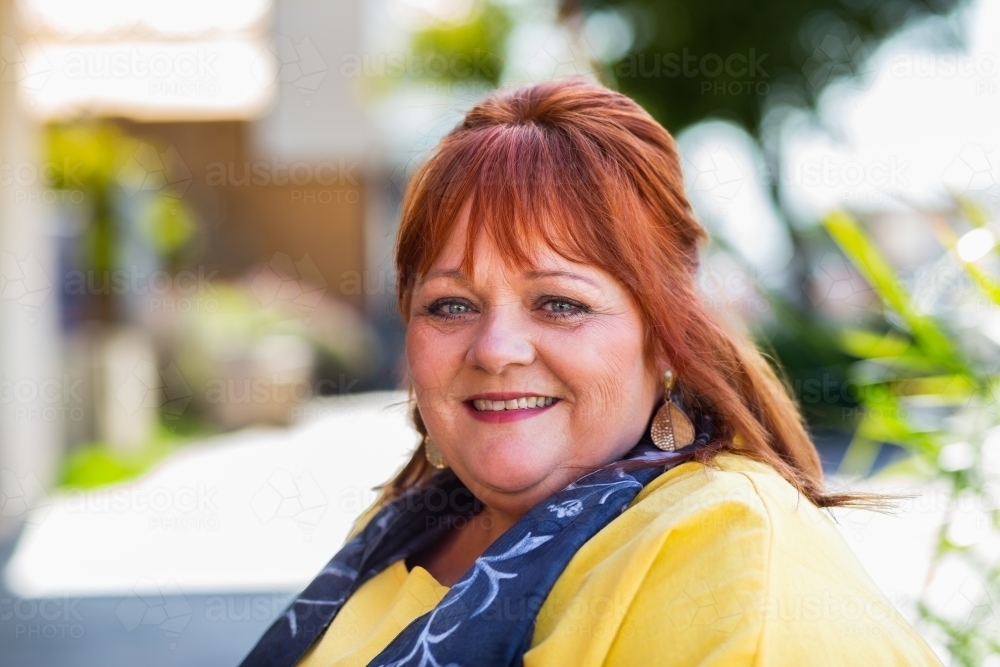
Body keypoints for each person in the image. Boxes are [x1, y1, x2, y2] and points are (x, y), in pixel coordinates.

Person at [240, 79, 942, 667]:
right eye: (451, 304)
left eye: (560, 303)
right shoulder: (406, 522)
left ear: (665, 333)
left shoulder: (730, 554)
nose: (496, 349)